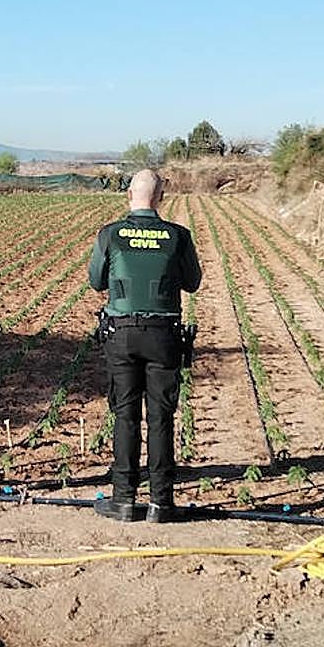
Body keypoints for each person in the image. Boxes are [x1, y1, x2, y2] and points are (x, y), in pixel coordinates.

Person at [88, 169, 201, 523]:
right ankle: (161, 502)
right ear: (161, 198)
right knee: (161, 416)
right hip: (164, 335)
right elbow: (193, 282)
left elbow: (95, 281)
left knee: (125, 413)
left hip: (121, 334)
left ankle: (123, 499)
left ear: (129, 196)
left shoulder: (111, 234)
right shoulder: (178, 236)